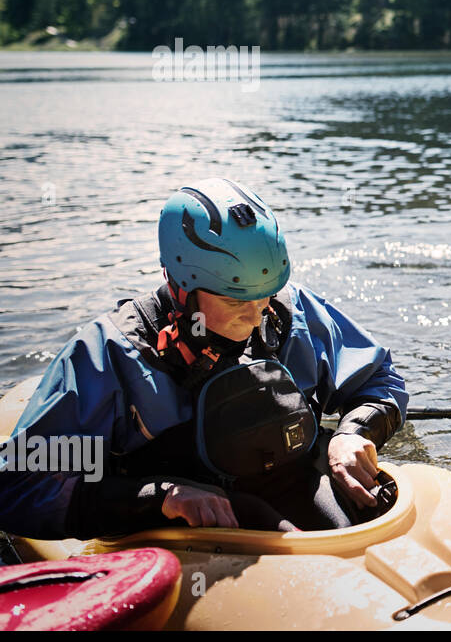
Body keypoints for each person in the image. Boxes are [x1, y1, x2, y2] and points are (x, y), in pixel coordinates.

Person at [0, 178, 408, 539]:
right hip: (191, 535)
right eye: (235, 302)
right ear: (181, 289)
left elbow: (379, 379)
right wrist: (157, 497)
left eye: (265, 295)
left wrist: (354, 432)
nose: (256, 317)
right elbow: (20, 484)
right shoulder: (113, 355)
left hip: (294, 492)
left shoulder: (291, 313)